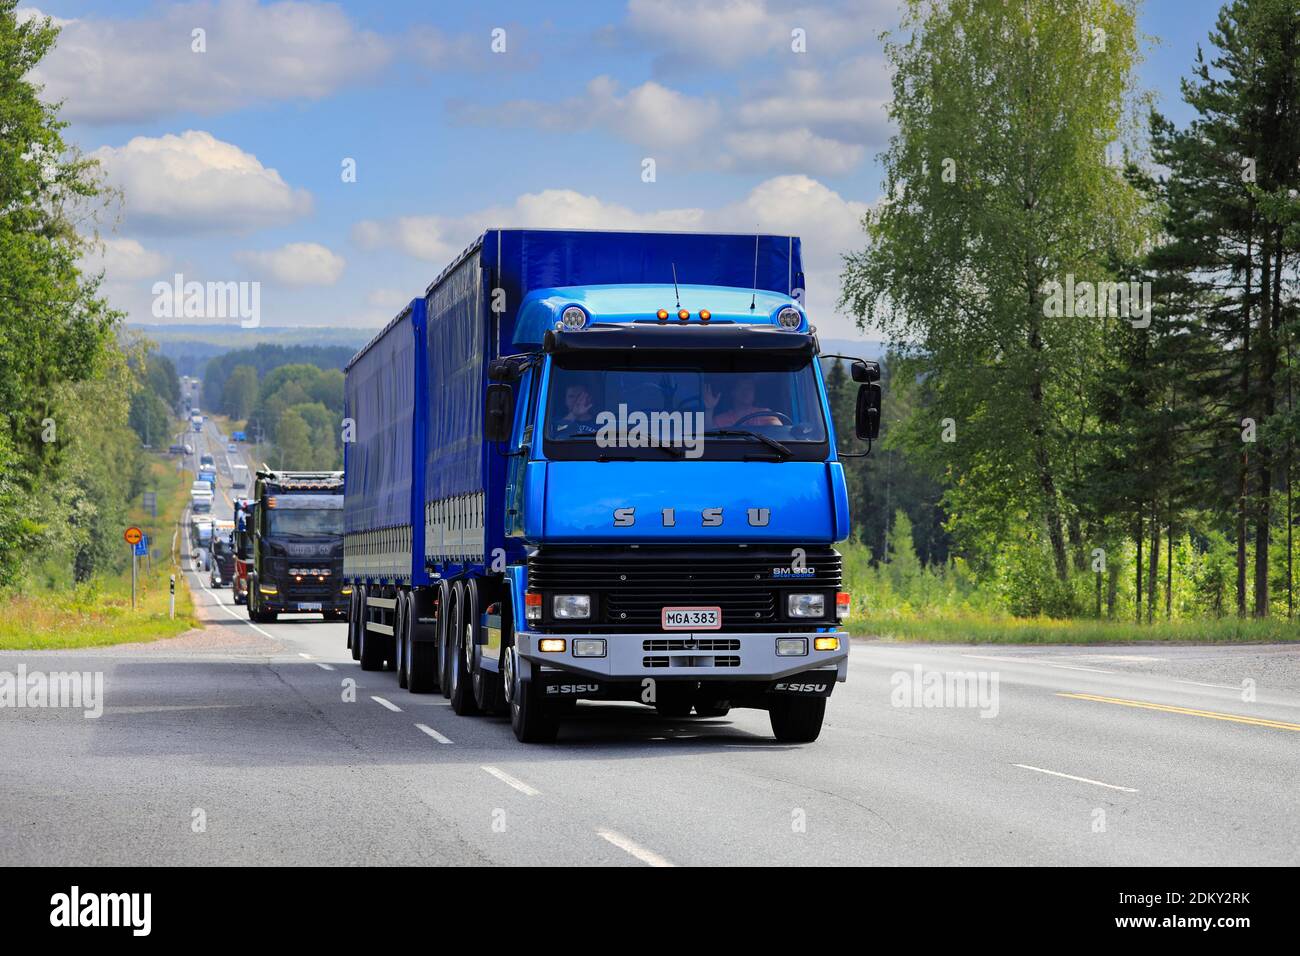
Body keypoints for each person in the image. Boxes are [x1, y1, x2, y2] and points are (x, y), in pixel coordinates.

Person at [704, 375, 782, 427]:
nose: (746, 391)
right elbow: (708, 435)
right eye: (741, 388)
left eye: (750, 388)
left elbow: (778, 431)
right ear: (732, 392)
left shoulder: (765, 414)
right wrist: (709, 409)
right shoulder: (720, 419)